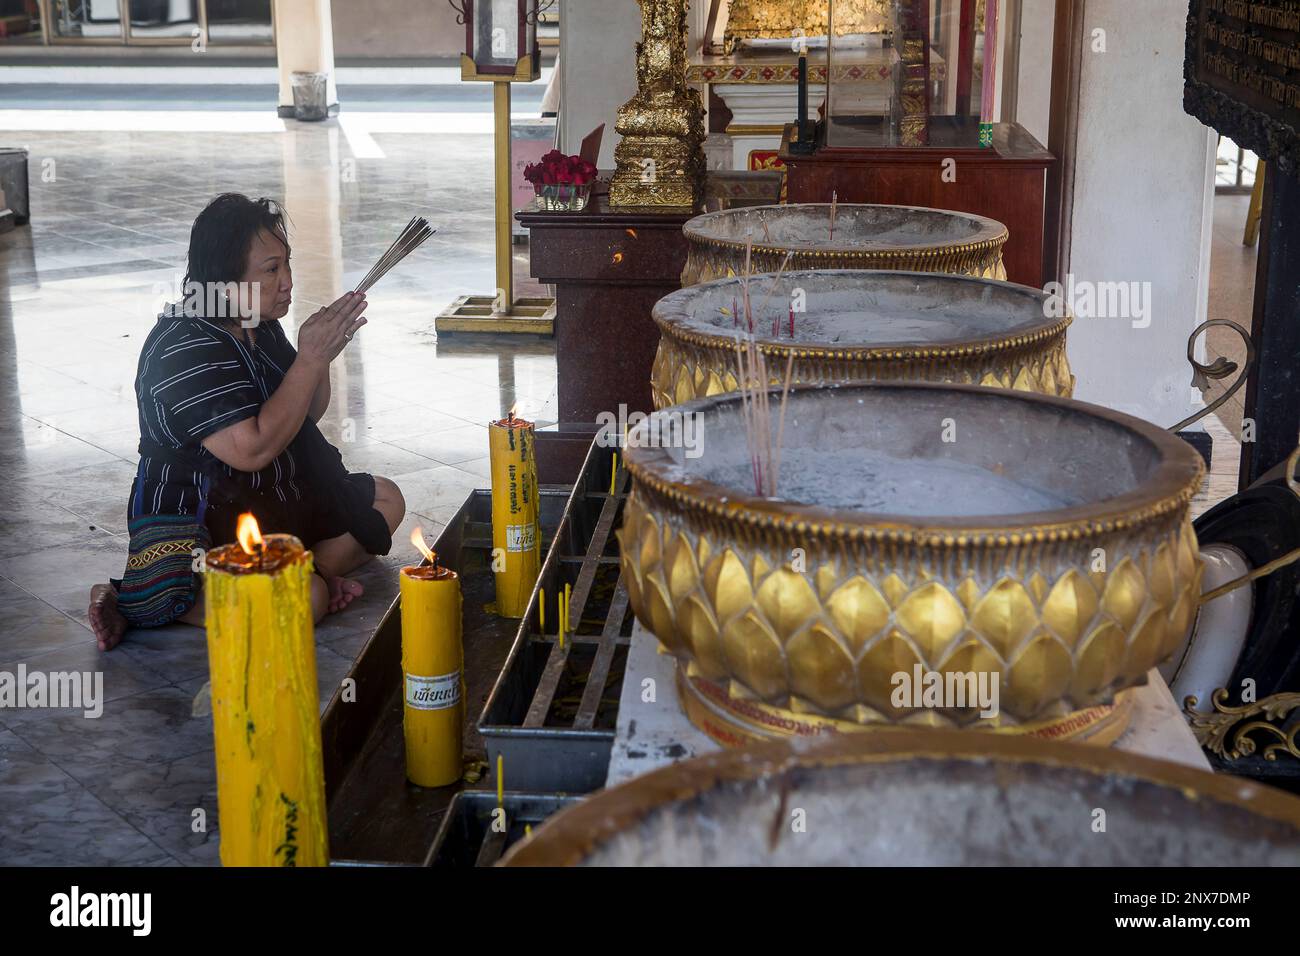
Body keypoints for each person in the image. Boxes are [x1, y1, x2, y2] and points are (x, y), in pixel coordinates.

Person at [88, 193, 406, 650]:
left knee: (386, 500)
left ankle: (292, 573)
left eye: (287, 265)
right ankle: (142, 599)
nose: (288, 283)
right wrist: (309, 358)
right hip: (201, 519)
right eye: (272, 269)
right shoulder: (184, 345)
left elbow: (302, 417)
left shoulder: (258, 323)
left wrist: (317, 359)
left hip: (270, 502)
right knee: (303, 601)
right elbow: (251, 450)